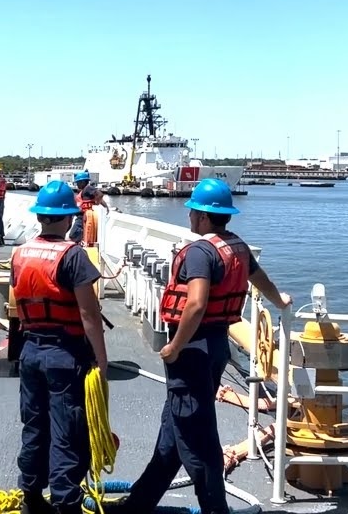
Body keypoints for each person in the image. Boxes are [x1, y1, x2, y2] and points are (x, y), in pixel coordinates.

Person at [108, 178, 291, 514]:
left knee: (197, 440)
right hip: (216, 345)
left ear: (204, 216)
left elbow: (195, 304)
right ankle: (138, 504)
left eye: (193, 210)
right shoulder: (237, 247)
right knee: (174, 433)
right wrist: (280, 301)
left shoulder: (199, 253)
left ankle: (215, 508)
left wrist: (174, 347)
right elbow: (260, 279)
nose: (189, 215)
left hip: (192, 350)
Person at [12, 180, 109, 514]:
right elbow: (89, 314)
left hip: (30, 351)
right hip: (64, 355)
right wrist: (101, 360)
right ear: (69, 218)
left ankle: (31, 496)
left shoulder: (21, 253)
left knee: (34, 425)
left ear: (40, 216)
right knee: (67, 429)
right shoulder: (73, 256)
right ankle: (66, 502)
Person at [67, 171, 109, 246]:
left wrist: (97, 203)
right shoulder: (85, 191)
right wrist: (106, 207)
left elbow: (100, 195)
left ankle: (78, 244)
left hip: (83, 216)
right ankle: (80, 242)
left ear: (83, 182)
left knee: (73, 234)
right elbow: (98, 197)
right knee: (76, 233)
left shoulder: (88, 188)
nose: (77, 184)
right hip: (83, 215)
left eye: (78, 182)